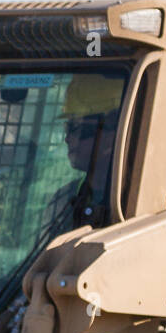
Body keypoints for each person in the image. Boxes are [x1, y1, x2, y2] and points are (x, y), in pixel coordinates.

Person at [46, 74, 124, 231]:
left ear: (113, 132)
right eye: (67, 128)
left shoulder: (136, 202)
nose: (68, 139)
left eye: (78, 129)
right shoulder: (63, 201)